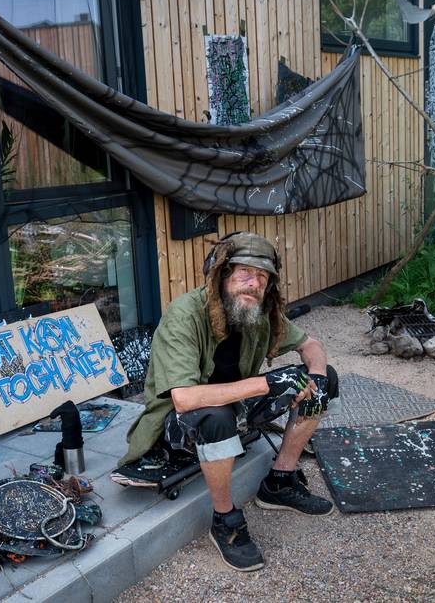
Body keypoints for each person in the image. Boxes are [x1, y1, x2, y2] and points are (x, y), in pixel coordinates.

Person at [120, 231, 338, 572]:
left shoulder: (258, 310)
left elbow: (310, 344)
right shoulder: (185, 314)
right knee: (216, 416)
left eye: (263, 277)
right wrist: (265, 384)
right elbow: (184, 398)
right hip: (177, 422)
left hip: (237, 404)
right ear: (222, 274)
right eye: (245, 272)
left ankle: (279, 482)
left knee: (322, 380)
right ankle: (225, 520)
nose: (254, 283)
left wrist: (319, 376)